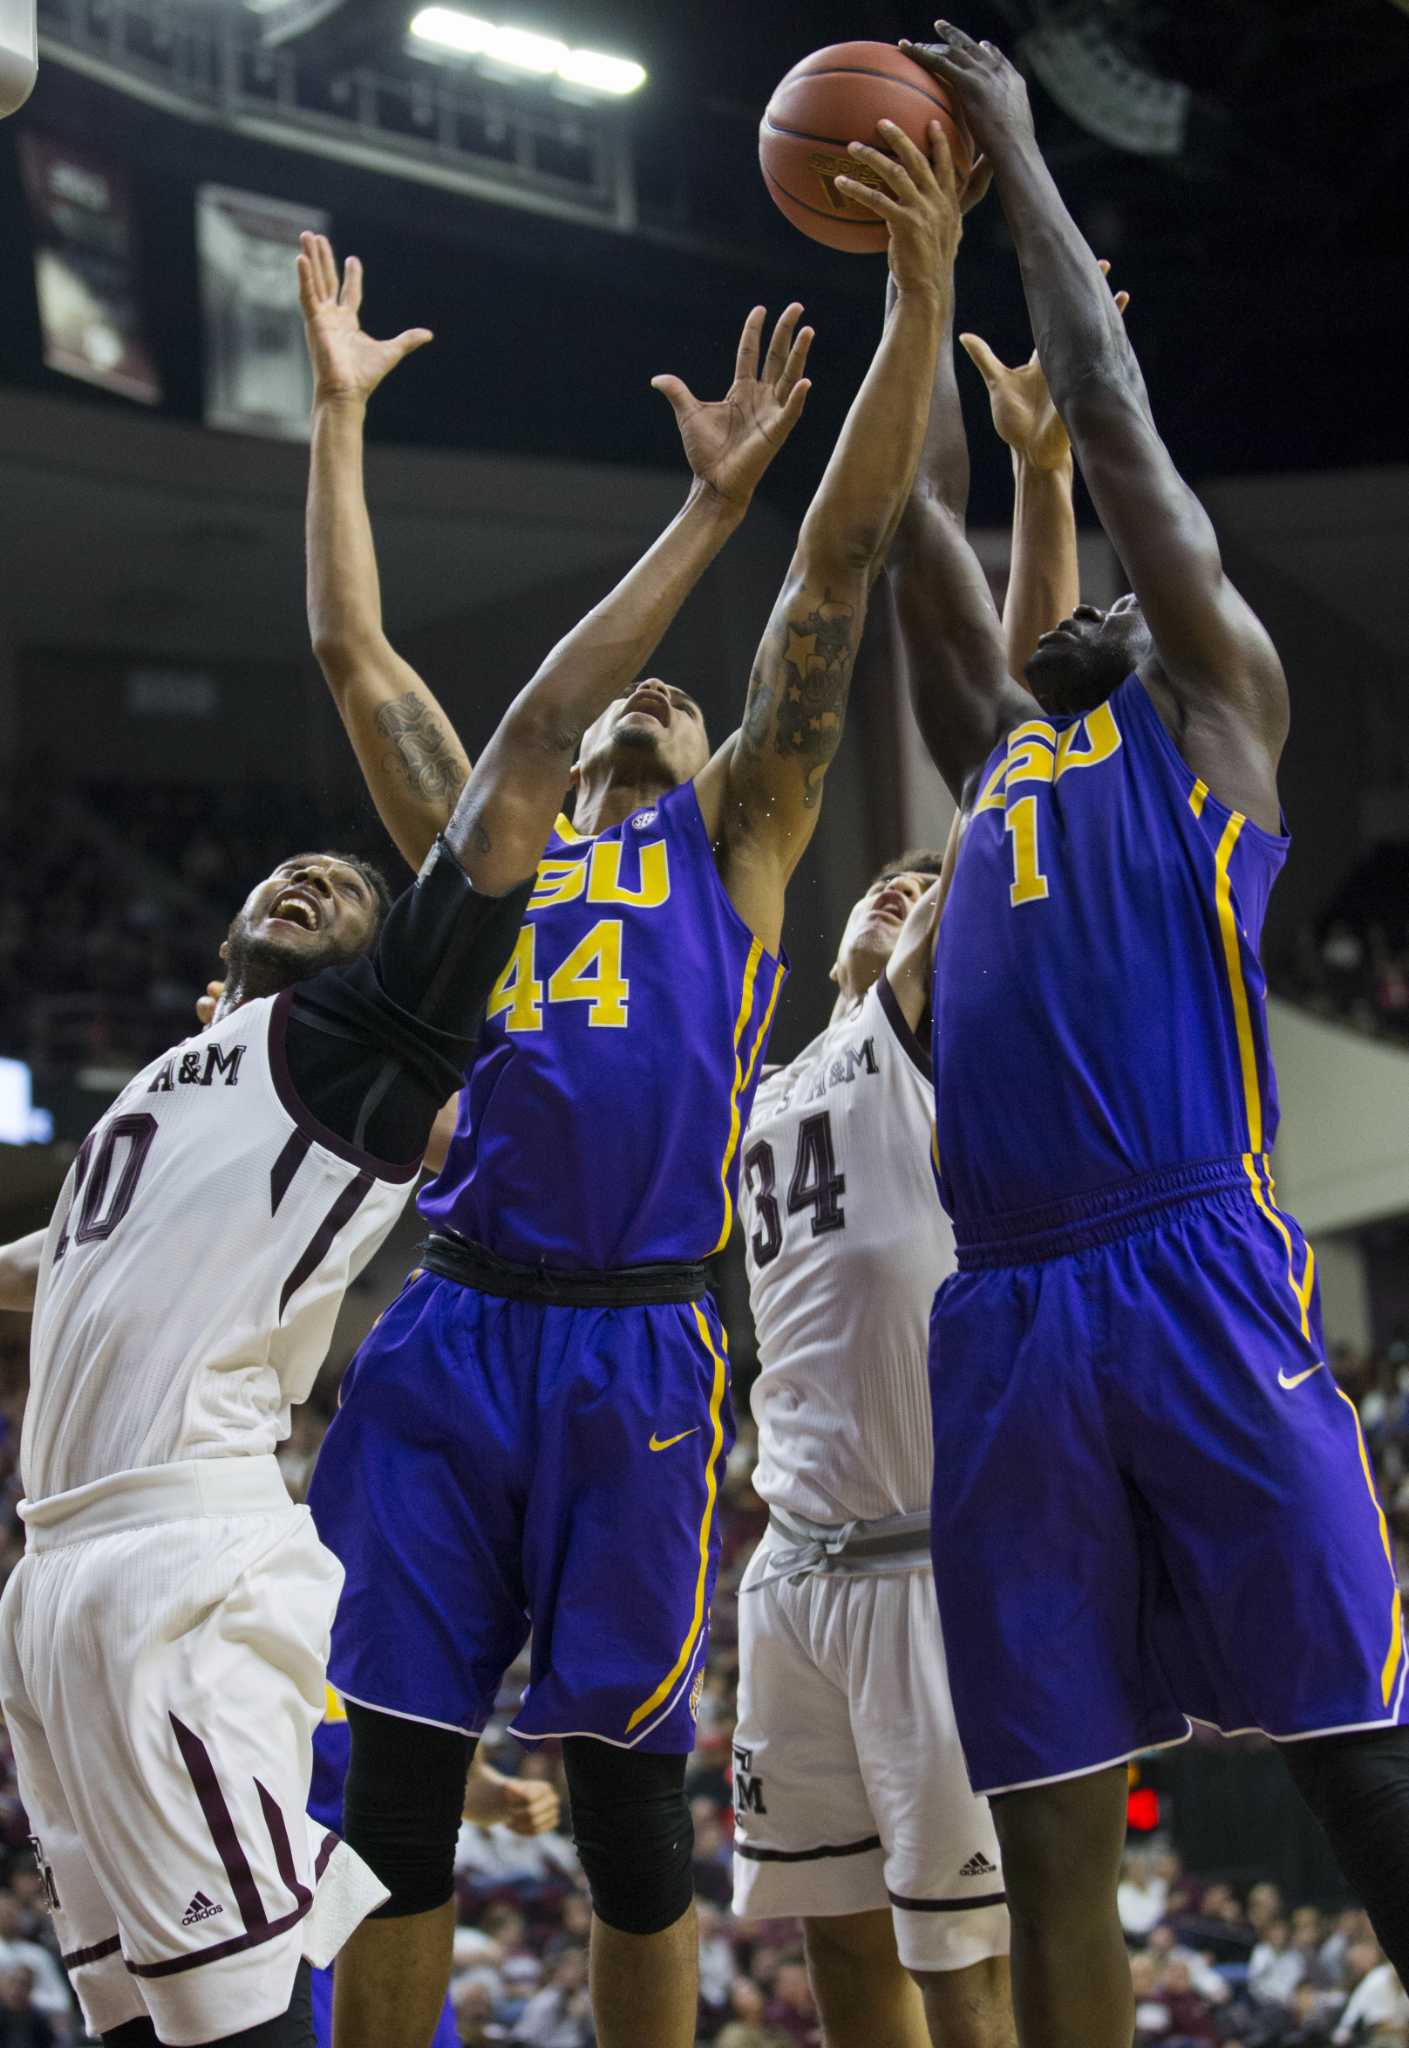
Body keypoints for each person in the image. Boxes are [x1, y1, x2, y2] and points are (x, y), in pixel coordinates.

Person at [295, 121, 964, 2048]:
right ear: (586, 730)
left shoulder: (742, 839)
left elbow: (830, 563)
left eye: (691, 693)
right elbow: (353, 648)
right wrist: (337, 420)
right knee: (399, 1809)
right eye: (640, 695)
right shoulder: (481, 841)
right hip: (455, 1331)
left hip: (633, 1350)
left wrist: (911, 302)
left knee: (625, 1816)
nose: (672, 698)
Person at [0, 241, 703, 2036]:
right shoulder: (161, 1089)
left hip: (191, 1547)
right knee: (147, 2015)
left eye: (350, 881)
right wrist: (328, 409)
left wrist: (706, 517)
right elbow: (38, 1279)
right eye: (281, 874)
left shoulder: (372, 1032)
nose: (319, 866)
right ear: (216, 953)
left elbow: (454, 701)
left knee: (268, 1992)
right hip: (54, 1581)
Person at [886, 22, 1409, 2048]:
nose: (1096, 576)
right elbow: (910, 526)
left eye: (1118, 559)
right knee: (1044, 1823)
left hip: (1191, 1256)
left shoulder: (1212, 707)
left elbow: (1109, 437)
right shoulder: (991, 755)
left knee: (1343, 1744)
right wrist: (911, 274)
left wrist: (1014, 154)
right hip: (1004, 1311)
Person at [306, 1690, 561, 2048]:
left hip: (400, 1923)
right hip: (299, 1924)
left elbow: (464, 1781)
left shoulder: (406, 1647)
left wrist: (506, 1796)